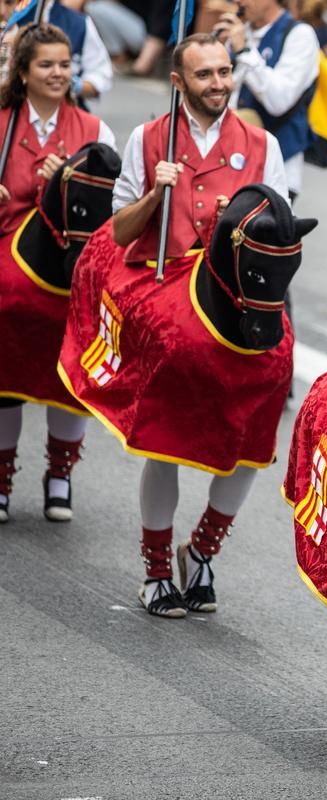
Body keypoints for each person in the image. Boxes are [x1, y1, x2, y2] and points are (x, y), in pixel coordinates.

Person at [109, 33, 289, 618]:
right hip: (168, 285)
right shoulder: (148, 138)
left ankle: (203, 549)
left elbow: (279, 237)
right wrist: (154, 193)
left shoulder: (262, 144)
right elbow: (119, 231)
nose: (219, 82)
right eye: (205, 74)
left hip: (242, 300)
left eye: (224, 71)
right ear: (178, 82)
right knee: (168, 439)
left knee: (252, 438)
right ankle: (156, 568)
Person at [0, 23, 116, 524]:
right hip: (7, 250)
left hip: (70, 265)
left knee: (72, 370)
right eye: (45, 64)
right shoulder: (1, 120)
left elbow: (115, 204)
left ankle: (61, 470)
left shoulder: (94, 130)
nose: (58, 73)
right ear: (22, 72)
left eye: (65, 64)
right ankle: (1, 473)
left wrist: (69, 183)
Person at [218, 0, 321, 200]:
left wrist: (244, 52)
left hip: (275, 173)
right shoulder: (238, 32)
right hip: (227, 161)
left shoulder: (300, 35)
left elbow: (278, 101)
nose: (237, 1)